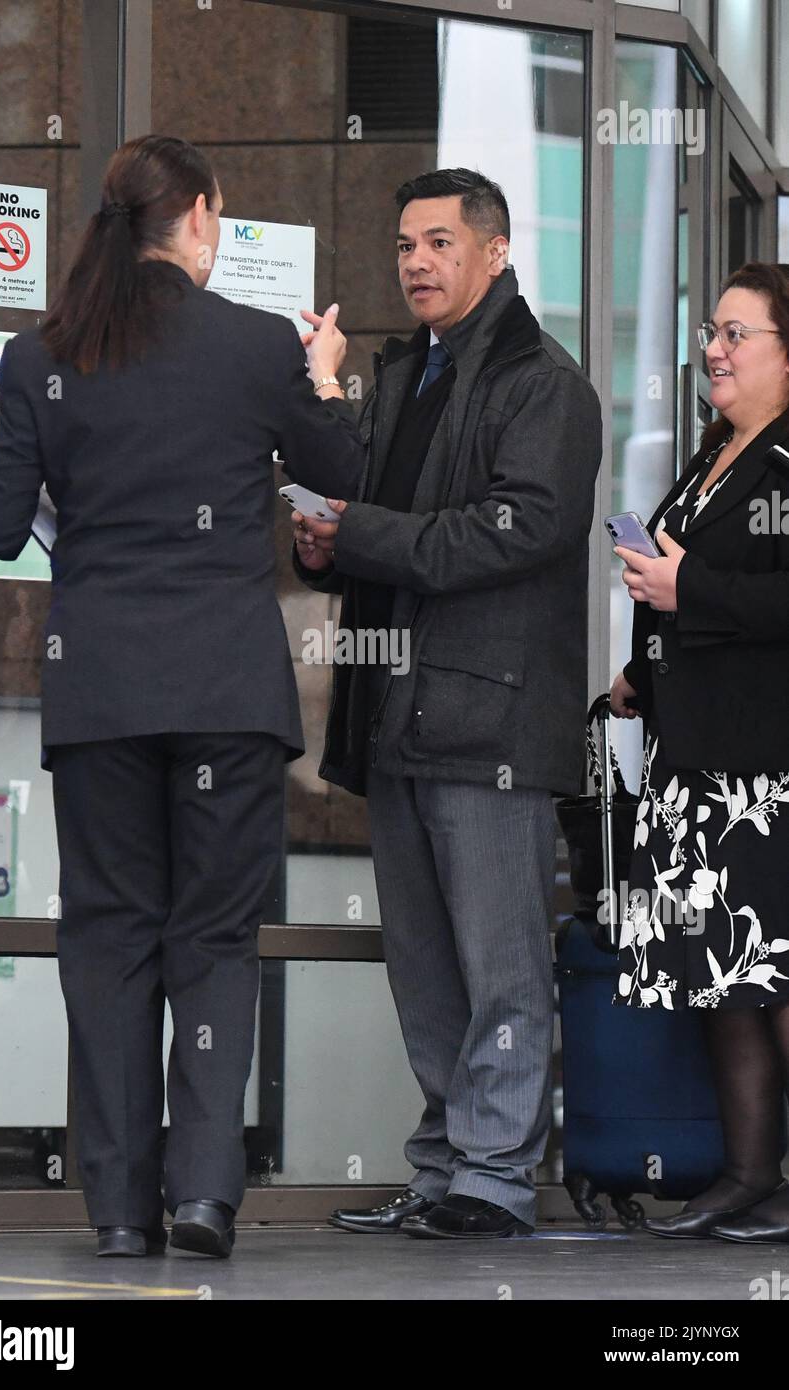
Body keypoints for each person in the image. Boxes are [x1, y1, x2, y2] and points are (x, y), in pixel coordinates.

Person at [0, 134, 365, 1258]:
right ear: (193, 217)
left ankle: (123, 1210)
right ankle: (202, 1195)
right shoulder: (253, 345)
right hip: (227, 693)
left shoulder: (44, 352)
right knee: (213, 939)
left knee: (110, 940)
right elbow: (343, 470)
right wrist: (321, 373)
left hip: (98, 694)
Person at [291, 168, 602, 1239]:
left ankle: (494, 1176)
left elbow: (519, 530)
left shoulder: (541, 382)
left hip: (492, 725)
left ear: (495, 251)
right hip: (395, 717)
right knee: (425, 969)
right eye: (403, 246)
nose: (414, 262)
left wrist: (361, 531)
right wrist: (324, 543)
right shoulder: (402, 377)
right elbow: (375, 532)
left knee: (501, 965)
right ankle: (442, 1168)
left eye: (436, 242)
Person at [611, 261, 789, 1243]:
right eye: (708, 332)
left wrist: (695, 594)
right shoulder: (714, 448)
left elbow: (733, 589)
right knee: (717, 976)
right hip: (690, 758)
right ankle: (744, 1173)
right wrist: (640, 663)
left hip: (767, 770)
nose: (711, 349)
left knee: (778, 976)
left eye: (734, 333)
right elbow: (674, 575)